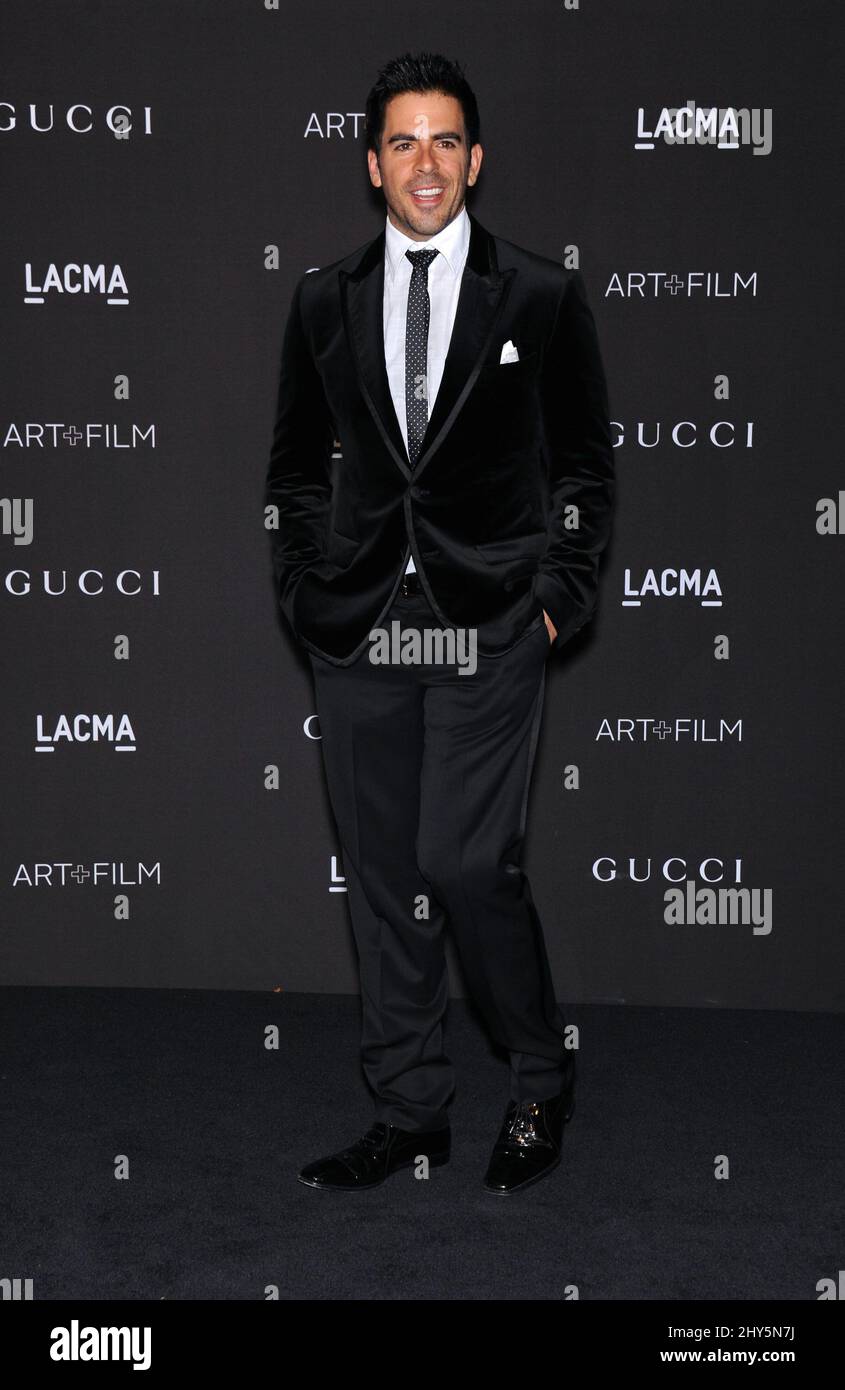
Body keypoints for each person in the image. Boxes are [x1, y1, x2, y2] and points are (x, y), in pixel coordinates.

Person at [265, 51, 614, 1195]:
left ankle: (535, 1077)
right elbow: (294, 476)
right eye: (403, 142)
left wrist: (554, 601)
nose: (426, 162)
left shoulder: (541, 296)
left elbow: (581, 466)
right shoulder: (323, 299)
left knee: (466, 865)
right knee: (379, 879)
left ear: (476, 159)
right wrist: (304, 591)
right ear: (372, 164)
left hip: (485, 624)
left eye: (445, 140)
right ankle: (410, 1109)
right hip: (361, 626)